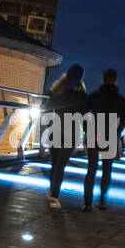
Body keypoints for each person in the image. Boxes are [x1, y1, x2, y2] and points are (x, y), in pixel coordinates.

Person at [83, 69, 125, 212]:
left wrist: (88, 130)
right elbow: (124, 119)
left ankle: (88, 203)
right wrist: (116, 133)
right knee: (106, 169)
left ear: (103, 80)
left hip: (93, 135)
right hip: (109, 136)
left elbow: (84, 115)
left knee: (91, 169)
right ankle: (102, 199)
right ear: (115, 80)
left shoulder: (94, 96)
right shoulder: (119, 99)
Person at [44, 64, 88, 208]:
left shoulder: (56, 91)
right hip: (71, 133)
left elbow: (45, 109)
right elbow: (86, 117)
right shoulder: (81, 96)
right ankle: (54, 197)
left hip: (54, 131)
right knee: (60, 165)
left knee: (55, 163)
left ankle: (52, 192)